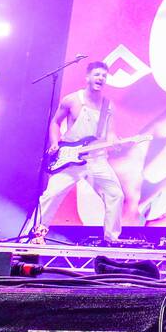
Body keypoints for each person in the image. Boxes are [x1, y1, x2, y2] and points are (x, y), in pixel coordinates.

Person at [35, 61, 125, 244]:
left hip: (96, 158)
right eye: (97, 74)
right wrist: (54, 142)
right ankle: (37, 235)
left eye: (104, 76)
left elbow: (111, 133)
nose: (101, 78)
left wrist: (115, 142)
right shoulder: (71, 100)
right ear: (88, 77)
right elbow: (55, 122)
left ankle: (111, 238)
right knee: (51, 195)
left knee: (116, 194)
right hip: (70, 158)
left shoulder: (108, 106)